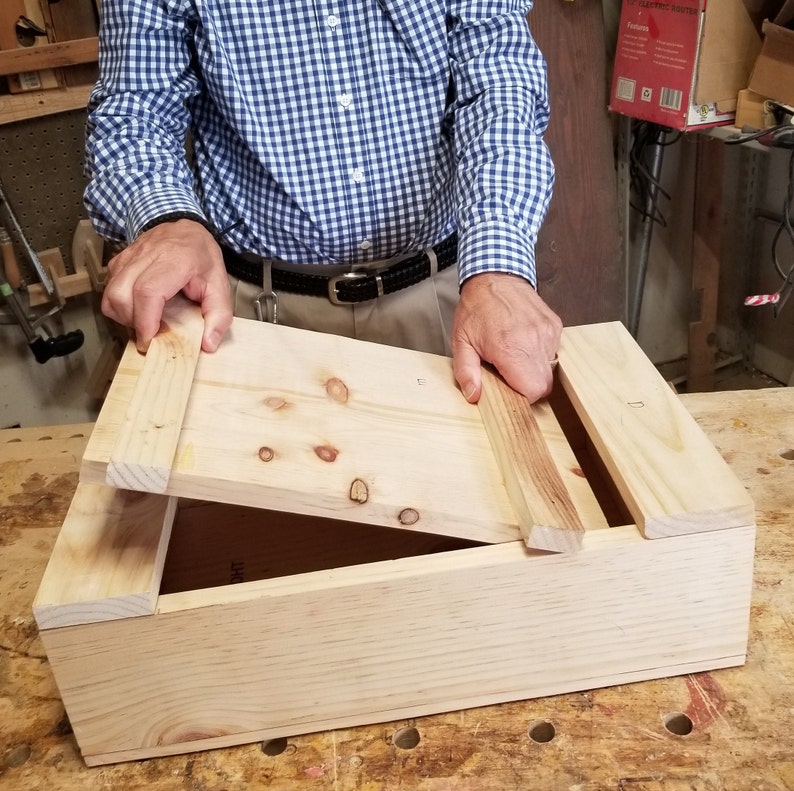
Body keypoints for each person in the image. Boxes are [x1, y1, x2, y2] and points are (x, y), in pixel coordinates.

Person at [84, 1, 562, 404]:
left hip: (443, 299)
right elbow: (135, 110)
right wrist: (169, 220)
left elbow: (499, 82)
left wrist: (499, 264)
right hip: (256, 314)